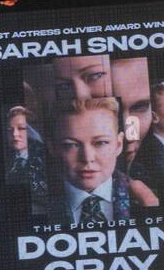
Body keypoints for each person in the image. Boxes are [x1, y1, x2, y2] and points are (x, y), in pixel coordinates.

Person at [48, 97, 132, 228]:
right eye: (71, 145)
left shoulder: (147, 199)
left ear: (119, 145)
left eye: (101, 143)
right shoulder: (36, 204)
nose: (87, 158)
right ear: (52, 147)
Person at [4, 104, 48, 217]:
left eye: (21, 128)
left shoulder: (44, 162)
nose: (15, 134)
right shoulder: (5, 163)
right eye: (10, 129)